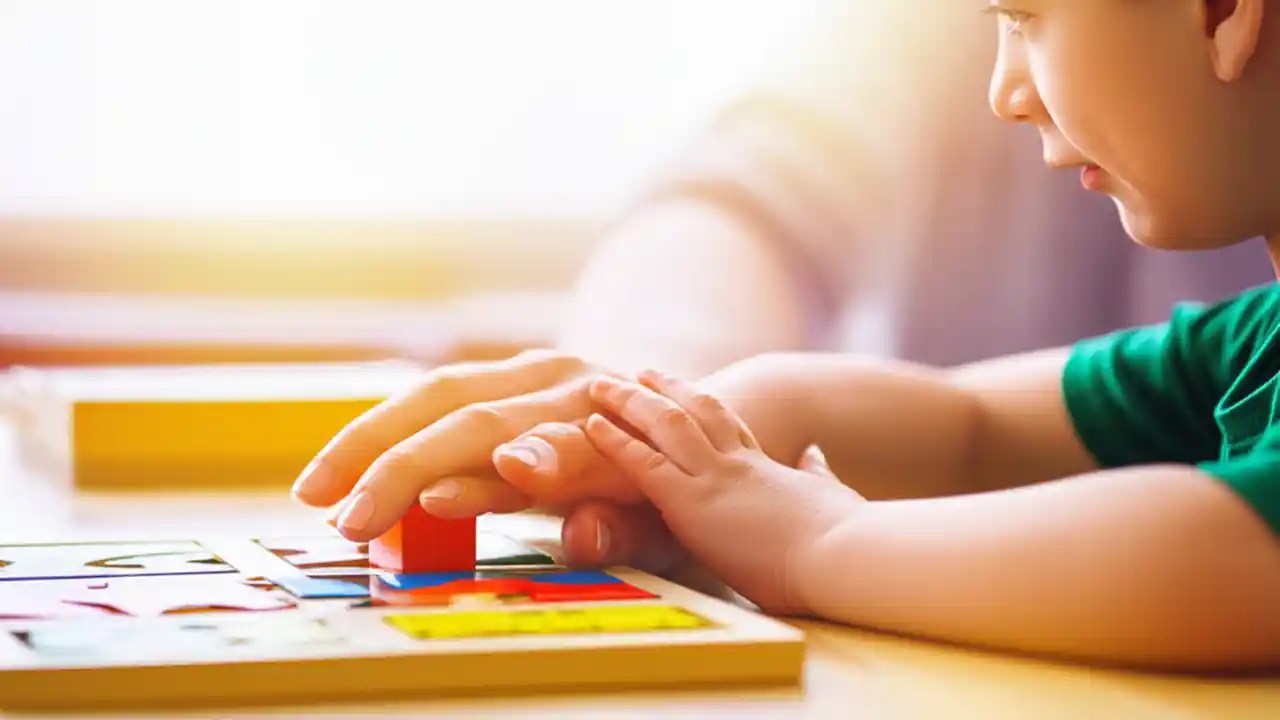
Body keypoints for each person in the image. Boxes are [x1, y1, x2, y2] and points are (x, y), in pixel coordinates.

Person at [291, 0, 1276, 659]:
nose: (1002, 91)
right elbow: (966, 424)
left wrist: (823, 542)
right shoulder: (1247, 342)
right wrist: (683, 435)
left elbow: (1237, 556)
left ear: (1222, 12)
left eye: (1023, 18)